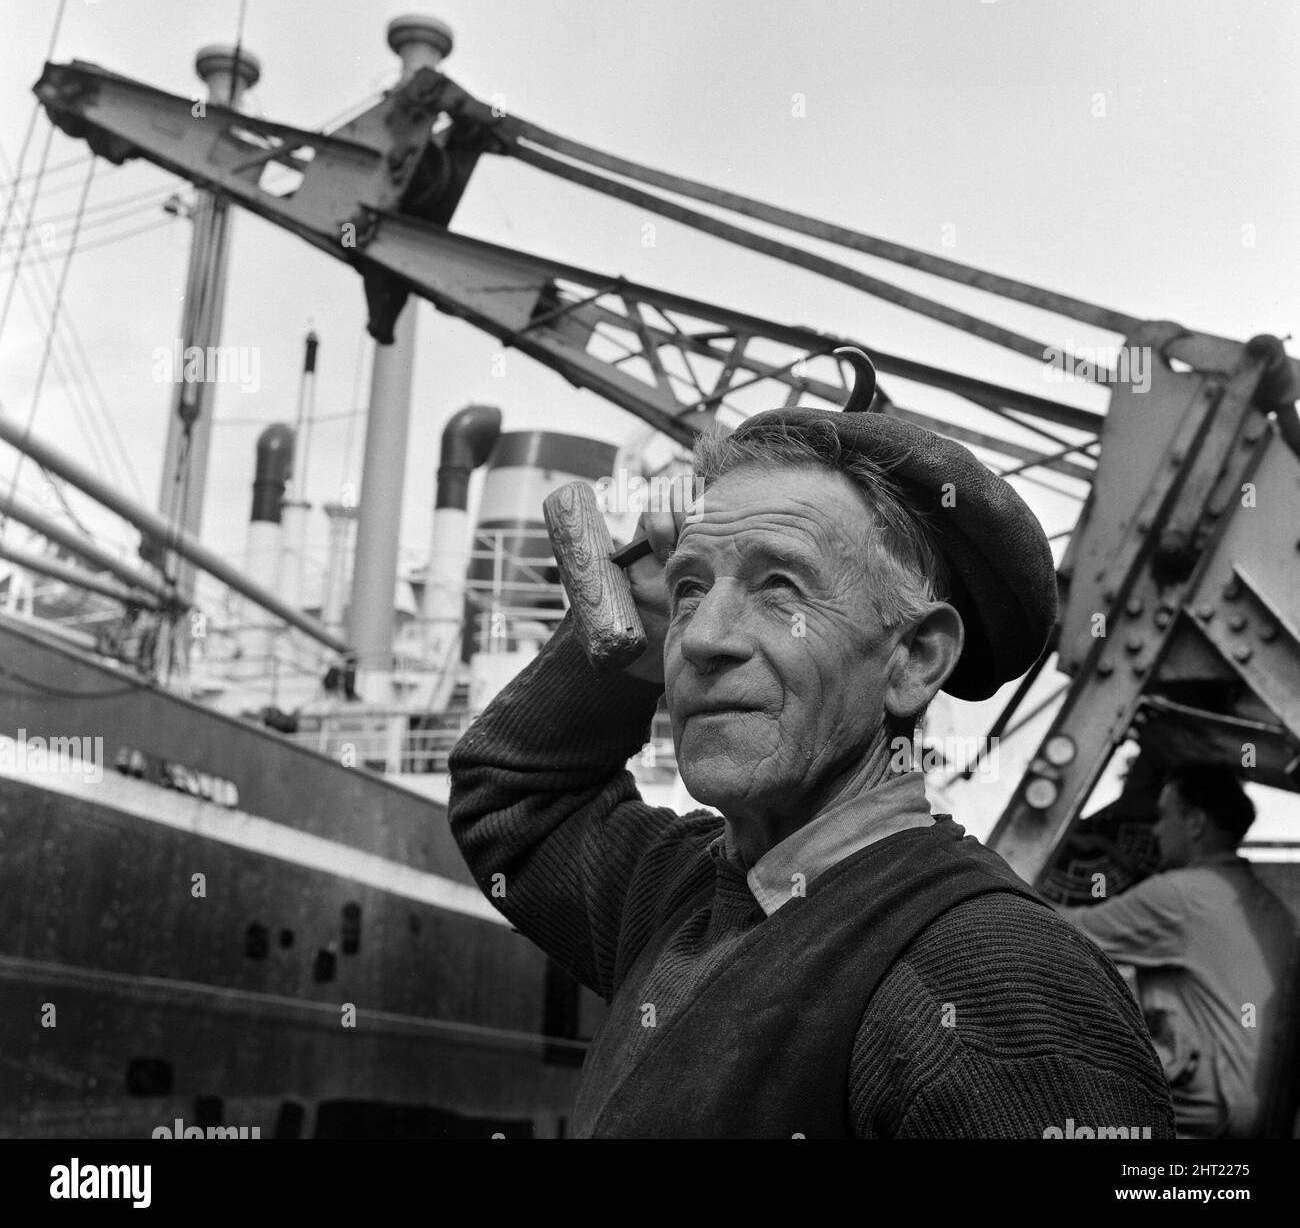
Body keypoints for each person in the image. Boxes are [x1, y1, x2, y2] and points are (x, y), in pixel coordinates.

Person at [449, 400, 1174, 1138]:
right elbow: (516, 800)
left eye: (779, 590)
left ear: (915, 661)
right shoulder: (684, 894)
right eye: (689, 591)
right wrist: (621, 637)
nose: (702, 641)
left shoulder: (1000, 992)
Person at [1058, 766, 1299, 1138]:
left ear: (1196, 824)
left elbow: (1064, 929)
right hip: (1263, 1119)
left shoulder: (1181, 895)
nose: (1155, 830)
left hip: (1204, 1121)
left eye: (1163, 815)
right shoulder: (1271, 907)